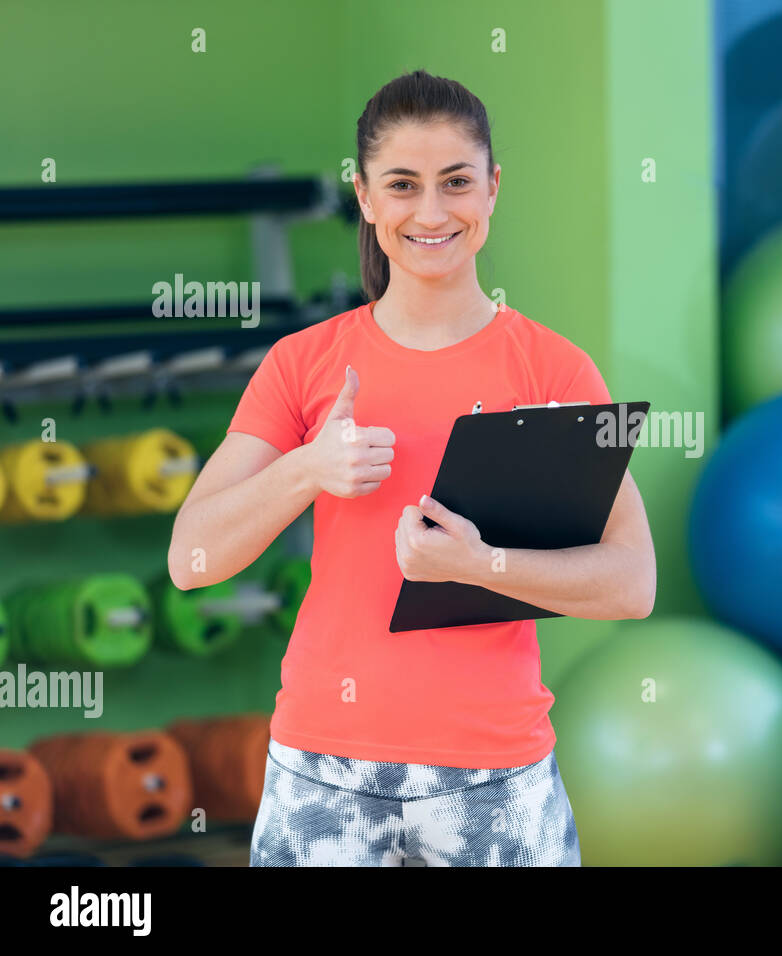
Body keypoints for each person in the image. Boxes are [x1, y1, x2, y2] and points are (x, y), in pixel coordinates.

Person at [167, 71, 656, 866]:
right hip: (322, 774)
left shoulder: (554, 372)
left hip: (496, 777)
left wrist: (481, 564)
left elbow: (632, 583)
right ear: (363, 197)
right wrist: (306, 469)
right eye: (402, 185)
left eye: (456, 182)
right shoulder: (303, 365)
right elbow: (189, 561)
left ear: (492, 190)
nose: (431, 213)